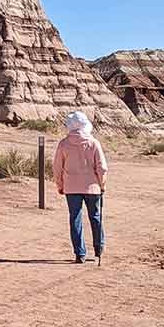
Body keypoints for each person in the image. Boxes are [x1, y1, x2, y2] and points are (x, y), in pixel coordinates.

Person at [53, 111, 108, 263]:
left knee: (75, 219)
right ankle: (99, 248)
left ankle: (80, 253)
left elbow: (57, 167)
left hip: (71, 188)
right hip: (92, 187)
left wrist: (60, 185)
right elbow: (102, 167)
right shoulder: (94, 143)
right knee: (95, 217)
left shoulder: (63, 144)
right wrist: (102, 184)